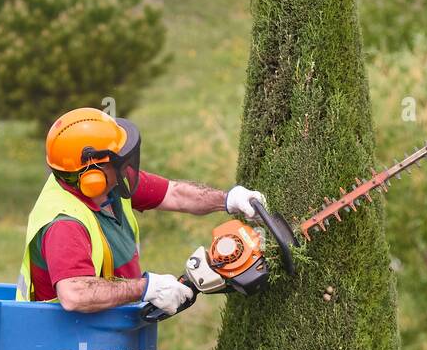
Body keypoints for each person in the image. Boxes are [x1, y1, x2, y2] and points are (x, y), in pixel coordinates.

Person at [16, 107, 268, 318]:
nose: (125, 166)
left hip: (103, 331)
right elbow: (75, 294)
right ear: (92, 176)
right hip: (61, 348)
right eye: (117, 162)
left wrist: (228, 199)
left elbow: (175, 194)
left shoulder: (107, 186)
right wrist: (148, 287)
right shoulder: (65, 223)